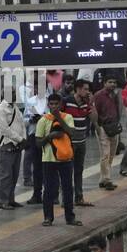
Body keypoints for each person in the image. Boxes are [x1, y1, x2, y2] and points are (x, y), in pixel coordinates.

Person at [36, 94, 82, 227]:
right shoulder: (43, 120)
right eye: (51, 104)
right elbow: (38, 143)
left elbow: (71, 132)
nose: (54, 106)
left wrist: (58, 118)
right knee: (49, 189)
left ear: (61, 104)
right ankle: (48, 217)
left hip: (65, 158)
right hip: (48, 160)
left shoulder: (67, 117)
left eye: (56, 104)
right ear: (48, 105)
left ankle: (70, 217)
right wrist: (50, 136)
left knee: (68, 188)